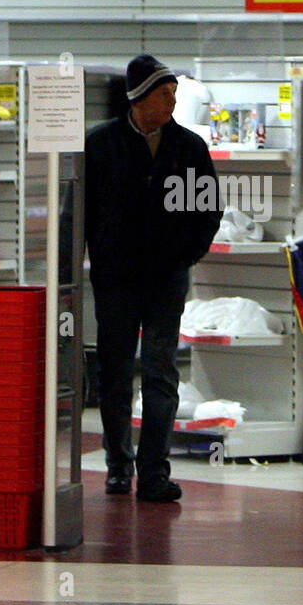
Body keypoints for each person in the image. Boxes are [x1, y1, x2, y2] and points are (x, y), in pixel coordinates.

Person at [83, 55, 222, 503]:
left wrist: (187, 254)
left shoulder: (189, 148)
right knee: (116, 374)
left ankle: (155, 473)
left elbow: (208, 209)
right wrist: (92, 264)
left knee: (162, 374)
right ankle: (118, 468)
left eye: (175, 95)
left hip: (166, 280)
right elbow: (79, 215)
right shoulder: (100, 146)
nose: (173, 102)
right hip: (115, 281)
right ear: (140, 97)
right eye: (165, 94)